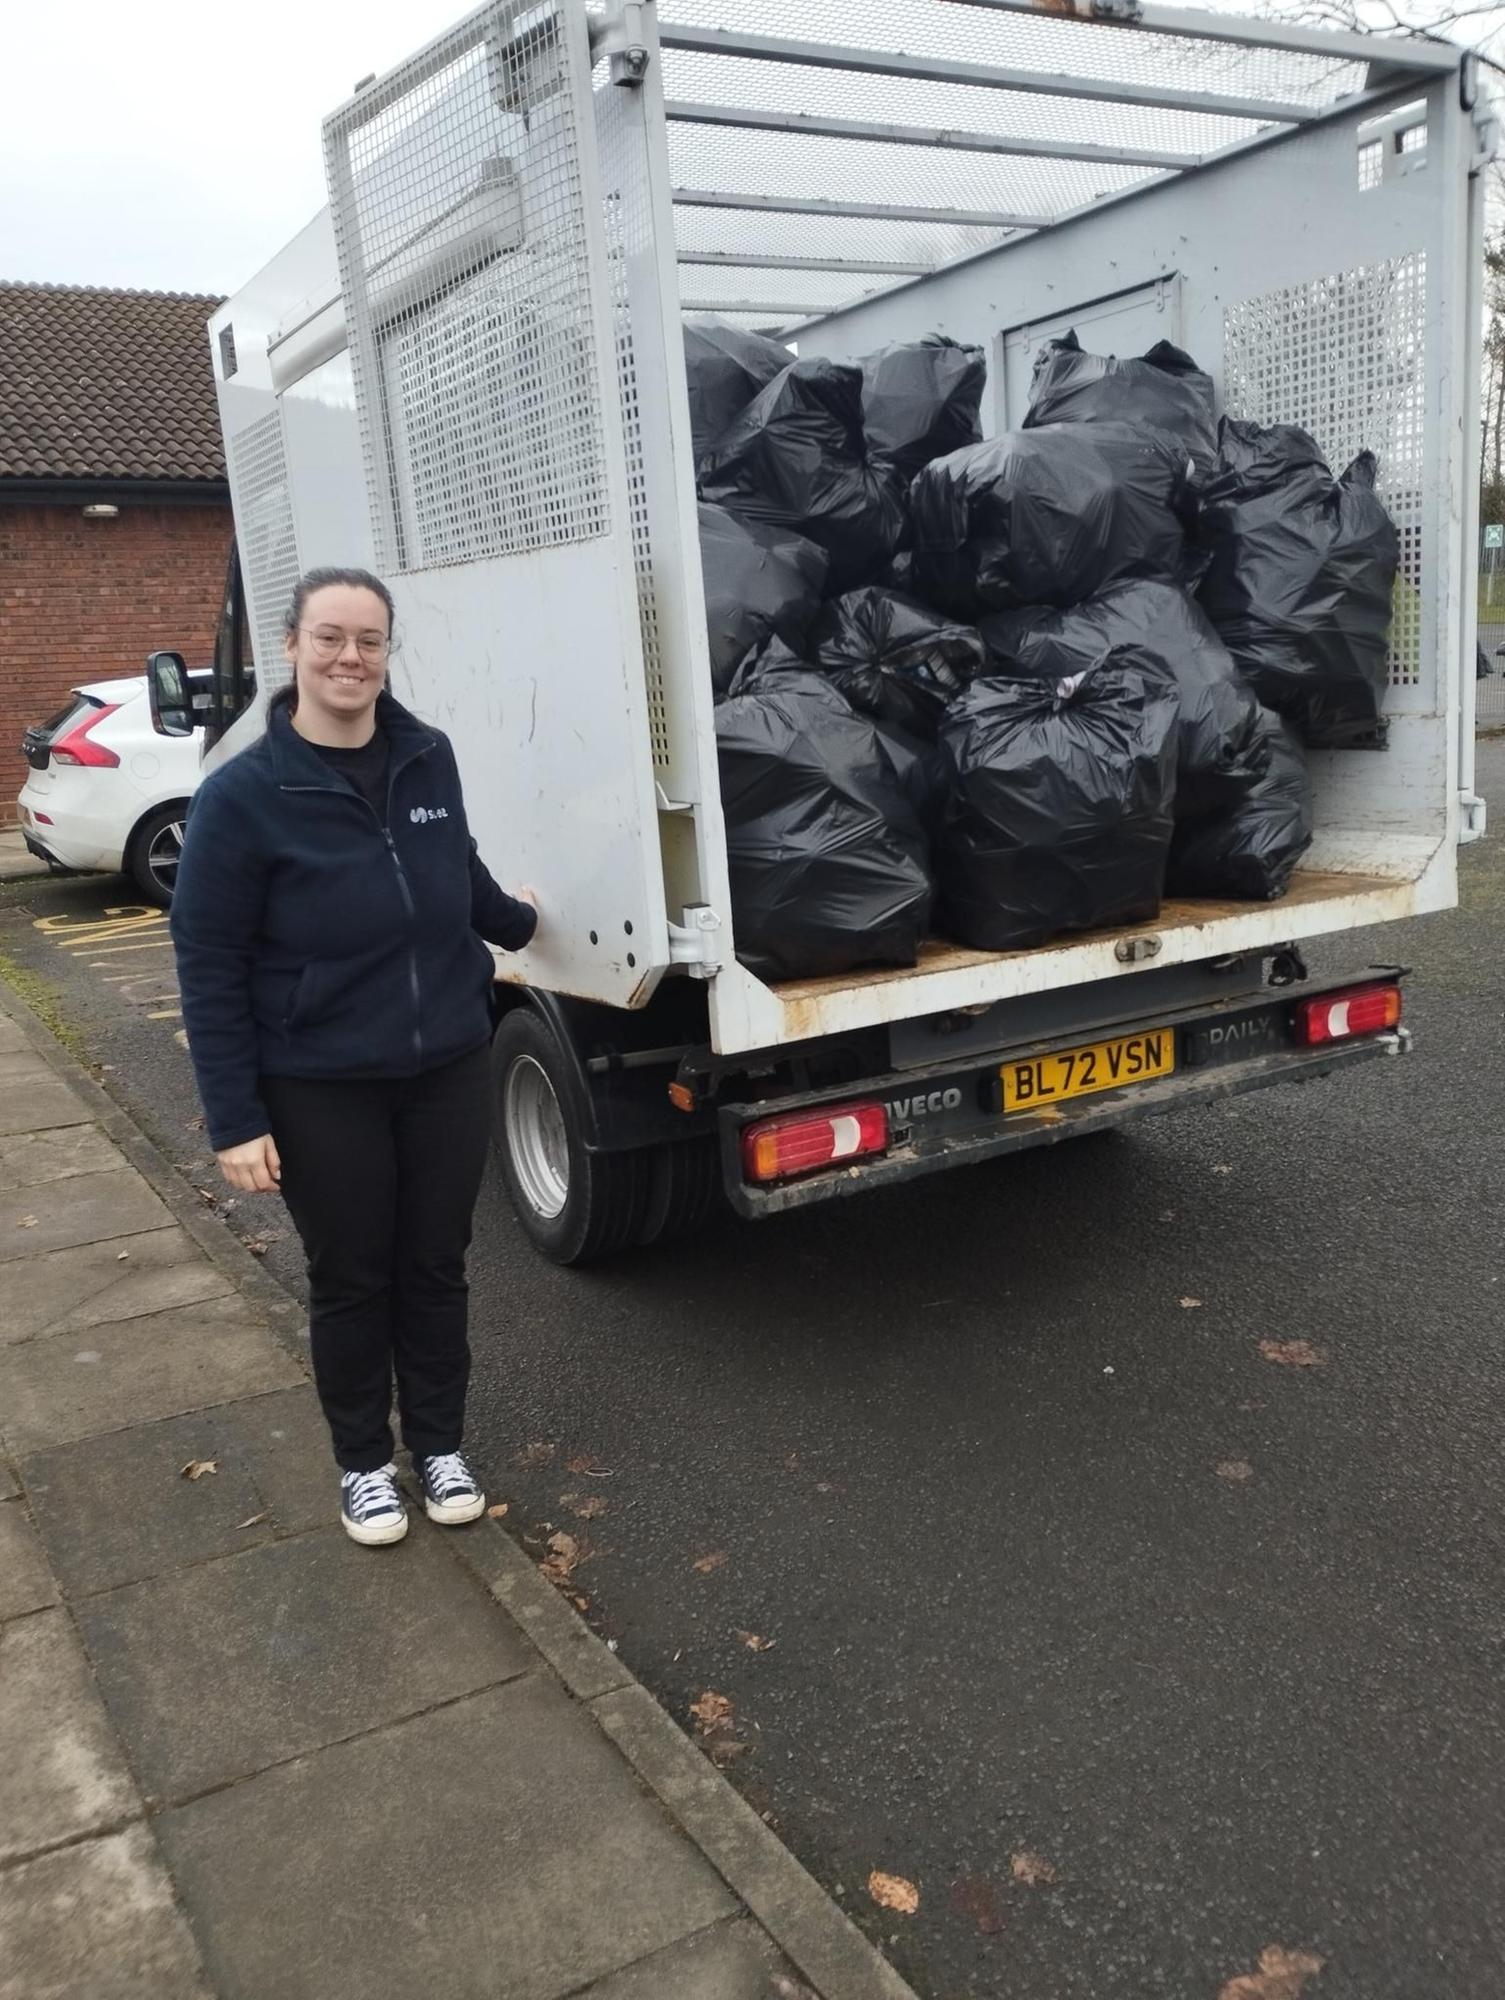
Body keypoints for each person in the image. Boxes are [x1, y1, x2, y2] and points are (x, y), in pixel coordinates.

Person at [170, 567, 539, 1547]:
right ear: (289, 645)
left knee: (436, 1262)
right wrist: (236, 1116)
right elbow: (207, 964)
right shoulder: (242, 796)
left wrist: (517, 920)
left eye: (368, 640)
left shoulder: (427, 755)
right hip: (319, 1080)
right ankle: (364, 1465)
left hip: (446, 1065)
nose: (349, 657)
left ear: (387, 652)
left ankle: (439, 1445)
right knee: (352, 1274)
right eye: (329, 636)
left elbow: (451, 867)